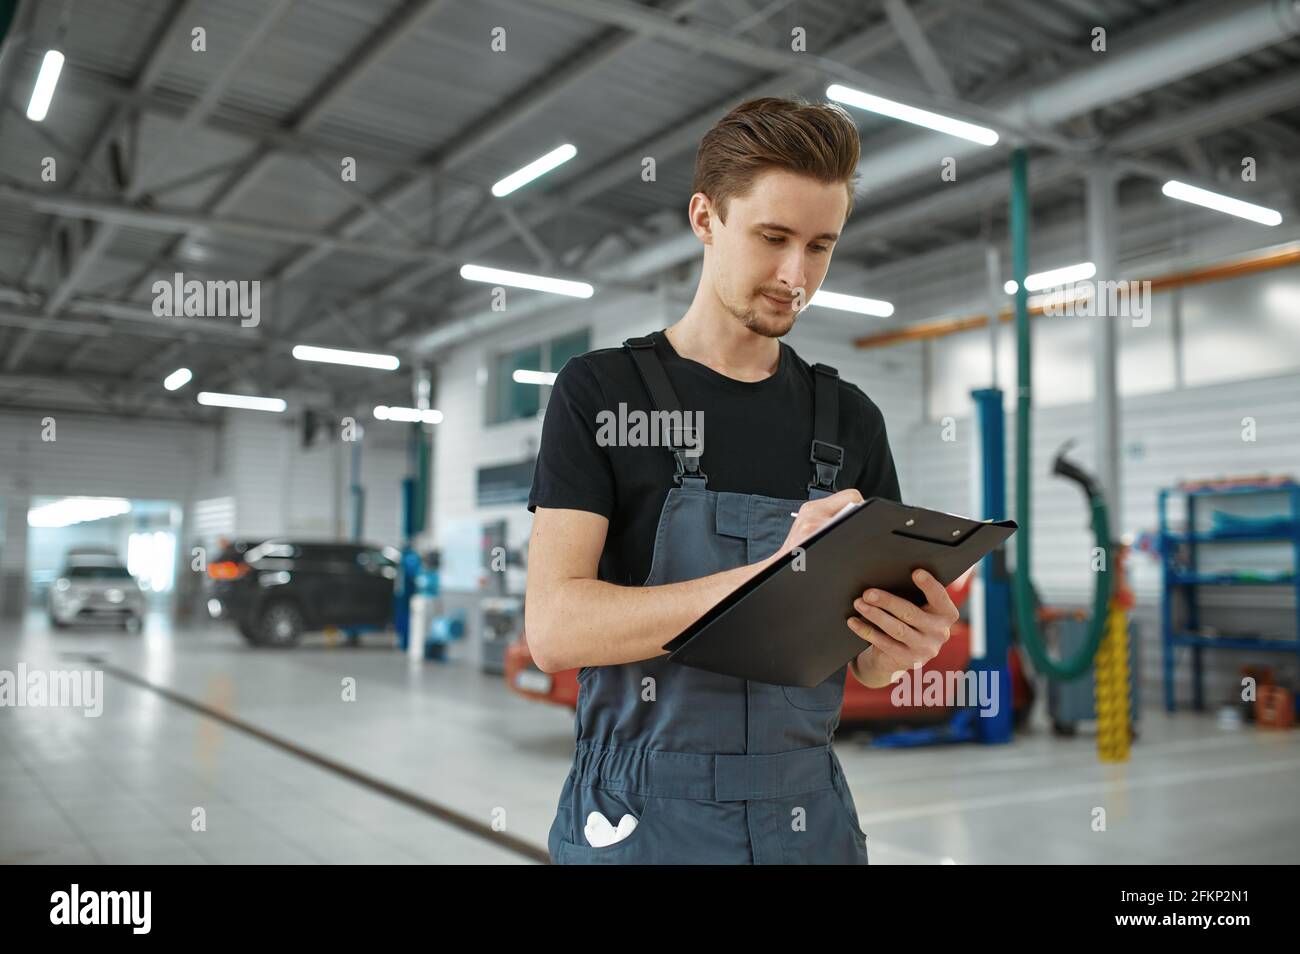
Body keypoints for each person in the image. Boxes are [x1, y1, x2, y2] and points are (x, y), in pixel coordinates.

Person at [525, 96, 958, 864]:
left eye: (821, 245)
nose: (797, 276)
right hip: (640, 815)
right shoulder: (602, 393)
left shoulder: (849, 419)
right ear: (704, 218)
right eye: (773, 237)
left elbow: (867, 662)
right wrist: (770, 580)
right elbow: (556, 630)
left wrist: (905, 645)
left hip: (807, 814)